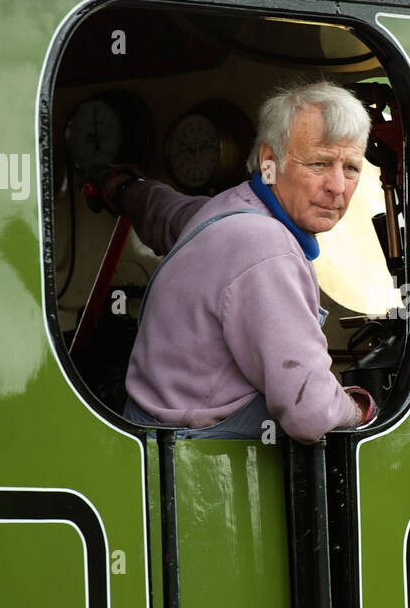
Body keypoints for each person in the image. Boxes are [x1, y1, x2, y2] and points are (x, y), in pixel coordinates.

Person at [96, 82, 377, 443]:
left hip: (148, 440)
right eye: (319, 163)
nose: (337, 186)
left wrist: (122, 187)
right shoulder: (266, 246)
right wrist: (361, 409)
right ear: (268, 161)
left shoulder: (224, 208)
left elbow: (163, 211)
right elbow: (311, 413)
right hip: (194, 467)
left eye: (351, 168)